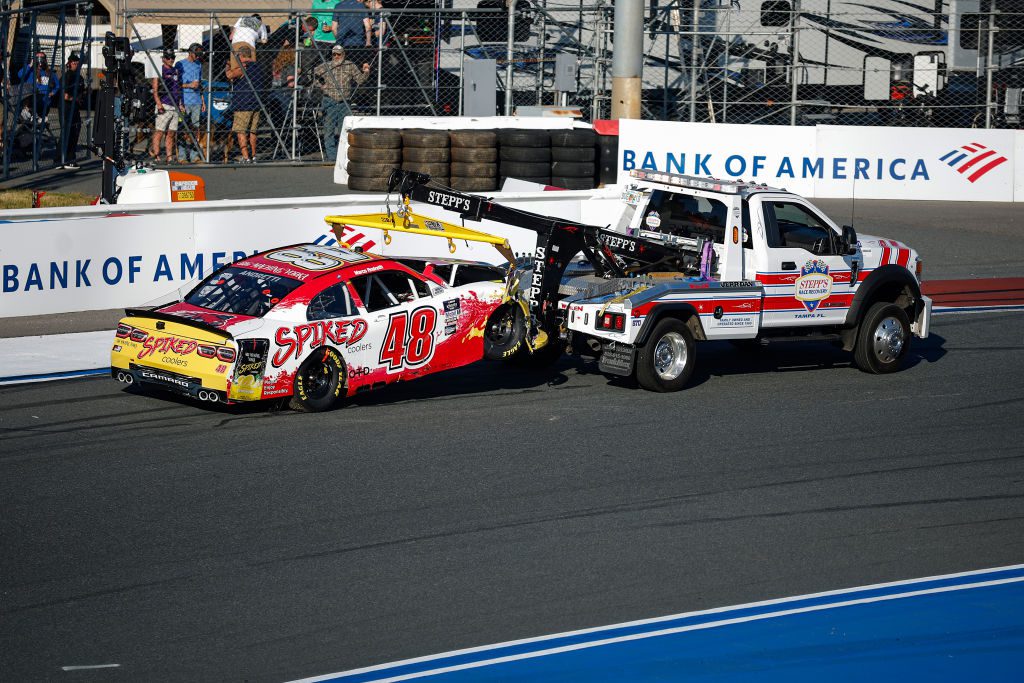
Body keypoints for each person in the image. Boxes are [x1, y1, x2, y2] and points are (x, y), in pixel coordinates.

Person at [312, 44, 369, 161]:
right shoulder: (326, 65)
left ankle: (343, 155)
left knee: (346, 129)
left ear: (343, 54)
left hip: (344, 102)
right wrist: (321, 85)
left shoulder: (350, 65)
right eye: (334, 54)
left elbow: (360, 80)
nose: (336, 56)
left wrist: (366, 72)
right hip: (329, 100)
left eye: (339, 54)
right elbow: (314, 74)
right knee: (329, 130)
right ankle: (332, 157)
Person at [225, 45, 270, 163]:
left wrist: (229, 65)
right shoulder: (259, 67)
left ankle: (246, 157)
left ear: (241, 55)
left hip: (243, 104)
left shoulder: (243, 67)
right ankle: (254, 155)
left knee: (241, 131)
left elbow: (229, 75)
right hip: (256, 102)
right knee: (253, 131)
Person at [151, 49, 184, 164]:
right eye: (169, 57)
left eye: (173, 58)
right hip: (164, 105)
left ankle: (169, 156)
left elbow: (178, 88)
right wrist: (159, 104)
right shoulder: (159, 70)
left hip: (174, 105)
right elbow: (155, 90)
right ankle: (156, 155)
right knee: (159, 131)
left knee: (171, 133)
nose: (171, 60)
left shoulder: (176, 71)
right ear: (164, 58)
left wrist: (180, 104)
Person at [176, 44, 206, 163]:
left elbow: (200, 85)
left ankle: (194, 156)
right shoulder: (180, 64)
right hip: (185, 100)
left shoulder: (198, 65)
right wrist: (188, 85)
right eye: (196, 55)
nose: (198, 57)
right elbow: (175, 85)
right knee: (183, 129)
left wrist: (202, 100)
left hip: (196, 101)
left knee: (196, 129)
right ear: (190, 53)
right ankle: (182, 156)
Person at [57, 52, 85, 169]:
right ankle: (65, 159)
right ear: (69, 64)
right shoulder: (67, 76)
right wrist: (75, 99)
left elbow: (81, 91)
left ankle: (63, 159)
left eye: (78, 63)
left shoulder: (80, 77)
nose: (76, 65)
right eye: (74, 63)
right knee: (68, 132)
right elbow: (65, 96)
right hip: (66, 107)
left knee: (74, 130)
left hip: (74, 108)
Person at [17, 50, 58, 121]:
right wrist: (30, 65)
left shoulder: (49, 73)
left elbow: (57, 86)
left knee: (39, 126)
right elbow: (20, 75)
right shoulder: (30, 71)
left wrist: (52, 93)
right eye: (38, 61)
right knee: (29, 126)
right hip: (32, 103)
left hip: (44, 103)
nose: (40, 64)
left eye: (42, 61)